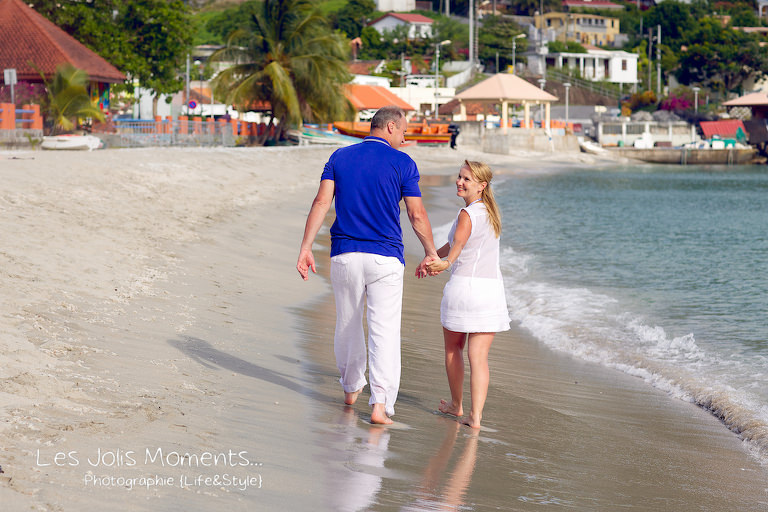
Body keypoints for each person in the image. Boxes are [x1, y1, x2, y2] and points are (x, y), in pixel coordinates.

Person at [297, 105, 439, 425]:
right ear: (389, 127)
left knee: (347, 322)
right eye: (403, 131)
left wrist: (306, 247)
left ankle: (350, 389)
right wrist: (430, 251)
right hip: (385, 258)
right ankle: (380, 405)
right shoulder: (403, 163)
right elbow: (417, 215)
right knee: (384, 331)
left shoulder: (340, 157)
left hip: (345, 255)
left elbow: (322, 202)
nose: (405, 138)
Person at [426, 160, 510, 428]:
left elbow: (456, 249)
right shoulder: (491, 214)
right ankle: (476, 416)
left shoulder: (466, 215)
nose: (459, 182)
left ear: (482, 186)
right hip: (491, 292)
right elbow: (455, 244)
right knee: (479, 358)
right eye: (459, 177)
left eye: (466, 179)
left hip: (464, 290)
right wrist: (432, 257)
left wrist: (442, 264)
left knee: (453, 349)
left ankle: (456, 405)